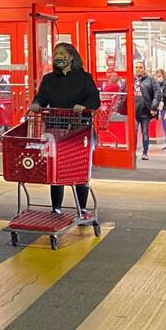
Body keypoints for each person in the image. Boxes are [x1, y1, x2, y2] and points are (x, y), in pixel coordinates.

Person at [30, 42, 101, 216]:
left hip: (79, 130)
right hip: (56, 130)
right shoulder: (49, 79)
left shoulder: (84, 78)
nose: (58, 57)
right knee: (56, 169)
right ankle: (56, 208)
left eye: (61, 53)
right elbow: (41, 97)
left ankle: (82, 207)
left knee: (79, 168)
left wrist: (83, 106)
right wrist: (37, 104)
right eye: (55, 54)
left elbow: (95, 100)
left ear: (71, 56)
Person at [133, 62, 159, 161]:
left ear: (144, 68)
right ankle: (133, 152)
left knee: (145, 132)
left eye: (140, 67)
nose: (138, 69)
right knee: (134, 132)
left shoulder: (151, 80)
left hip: (145, 111)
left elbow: (157, 93)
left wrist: (153, 107)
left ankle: (145, 152)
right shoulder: (131, 80)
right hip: (134, 111)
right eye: (136, 67)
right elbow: (123, 93)